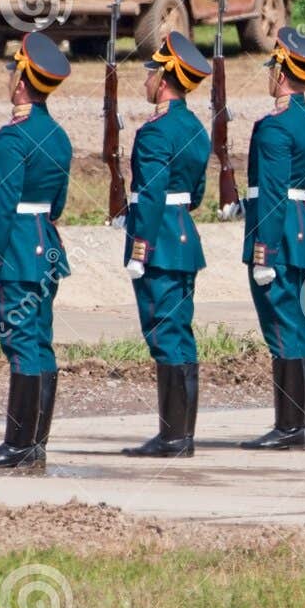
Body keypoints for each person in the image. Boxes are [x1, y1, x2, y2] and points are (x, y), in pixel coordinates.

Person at [0, 32, 73, 469]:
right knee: (40, 342)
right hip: (45, 248)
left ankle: (18, 444)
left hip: (15, 252)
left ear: (24, 81)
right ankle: (34, 442)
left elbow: (1, 204)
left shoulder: (12, 138)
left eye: (14, 71)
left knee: (22, 344)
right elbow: (59, 204)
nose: (10, 79)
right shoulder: (58, 136)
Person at [121, 31, 213, 458]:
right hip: (183, 237)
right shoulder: (195, 127)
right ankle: (181, 435)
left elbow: (153, 192)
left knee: (163, 332)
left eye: (151, 73)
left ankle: (173, 437)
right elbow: (194, 194)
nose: (146, 81)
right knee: (180, 333)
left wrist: (139, 244)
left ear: (164, 79)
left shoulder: (155, 132)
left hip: (158, 240)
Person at [241, 27, 305, 449]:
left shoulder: (274, 127)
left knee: (281, 327)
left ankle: (290, 426)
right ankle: (299, 423)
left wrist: (263, 251)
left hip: (276, 234)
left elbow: (275, 191)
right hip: (300, 228)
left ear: (281, 71)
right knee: (297, 325)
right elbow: (303, 190)